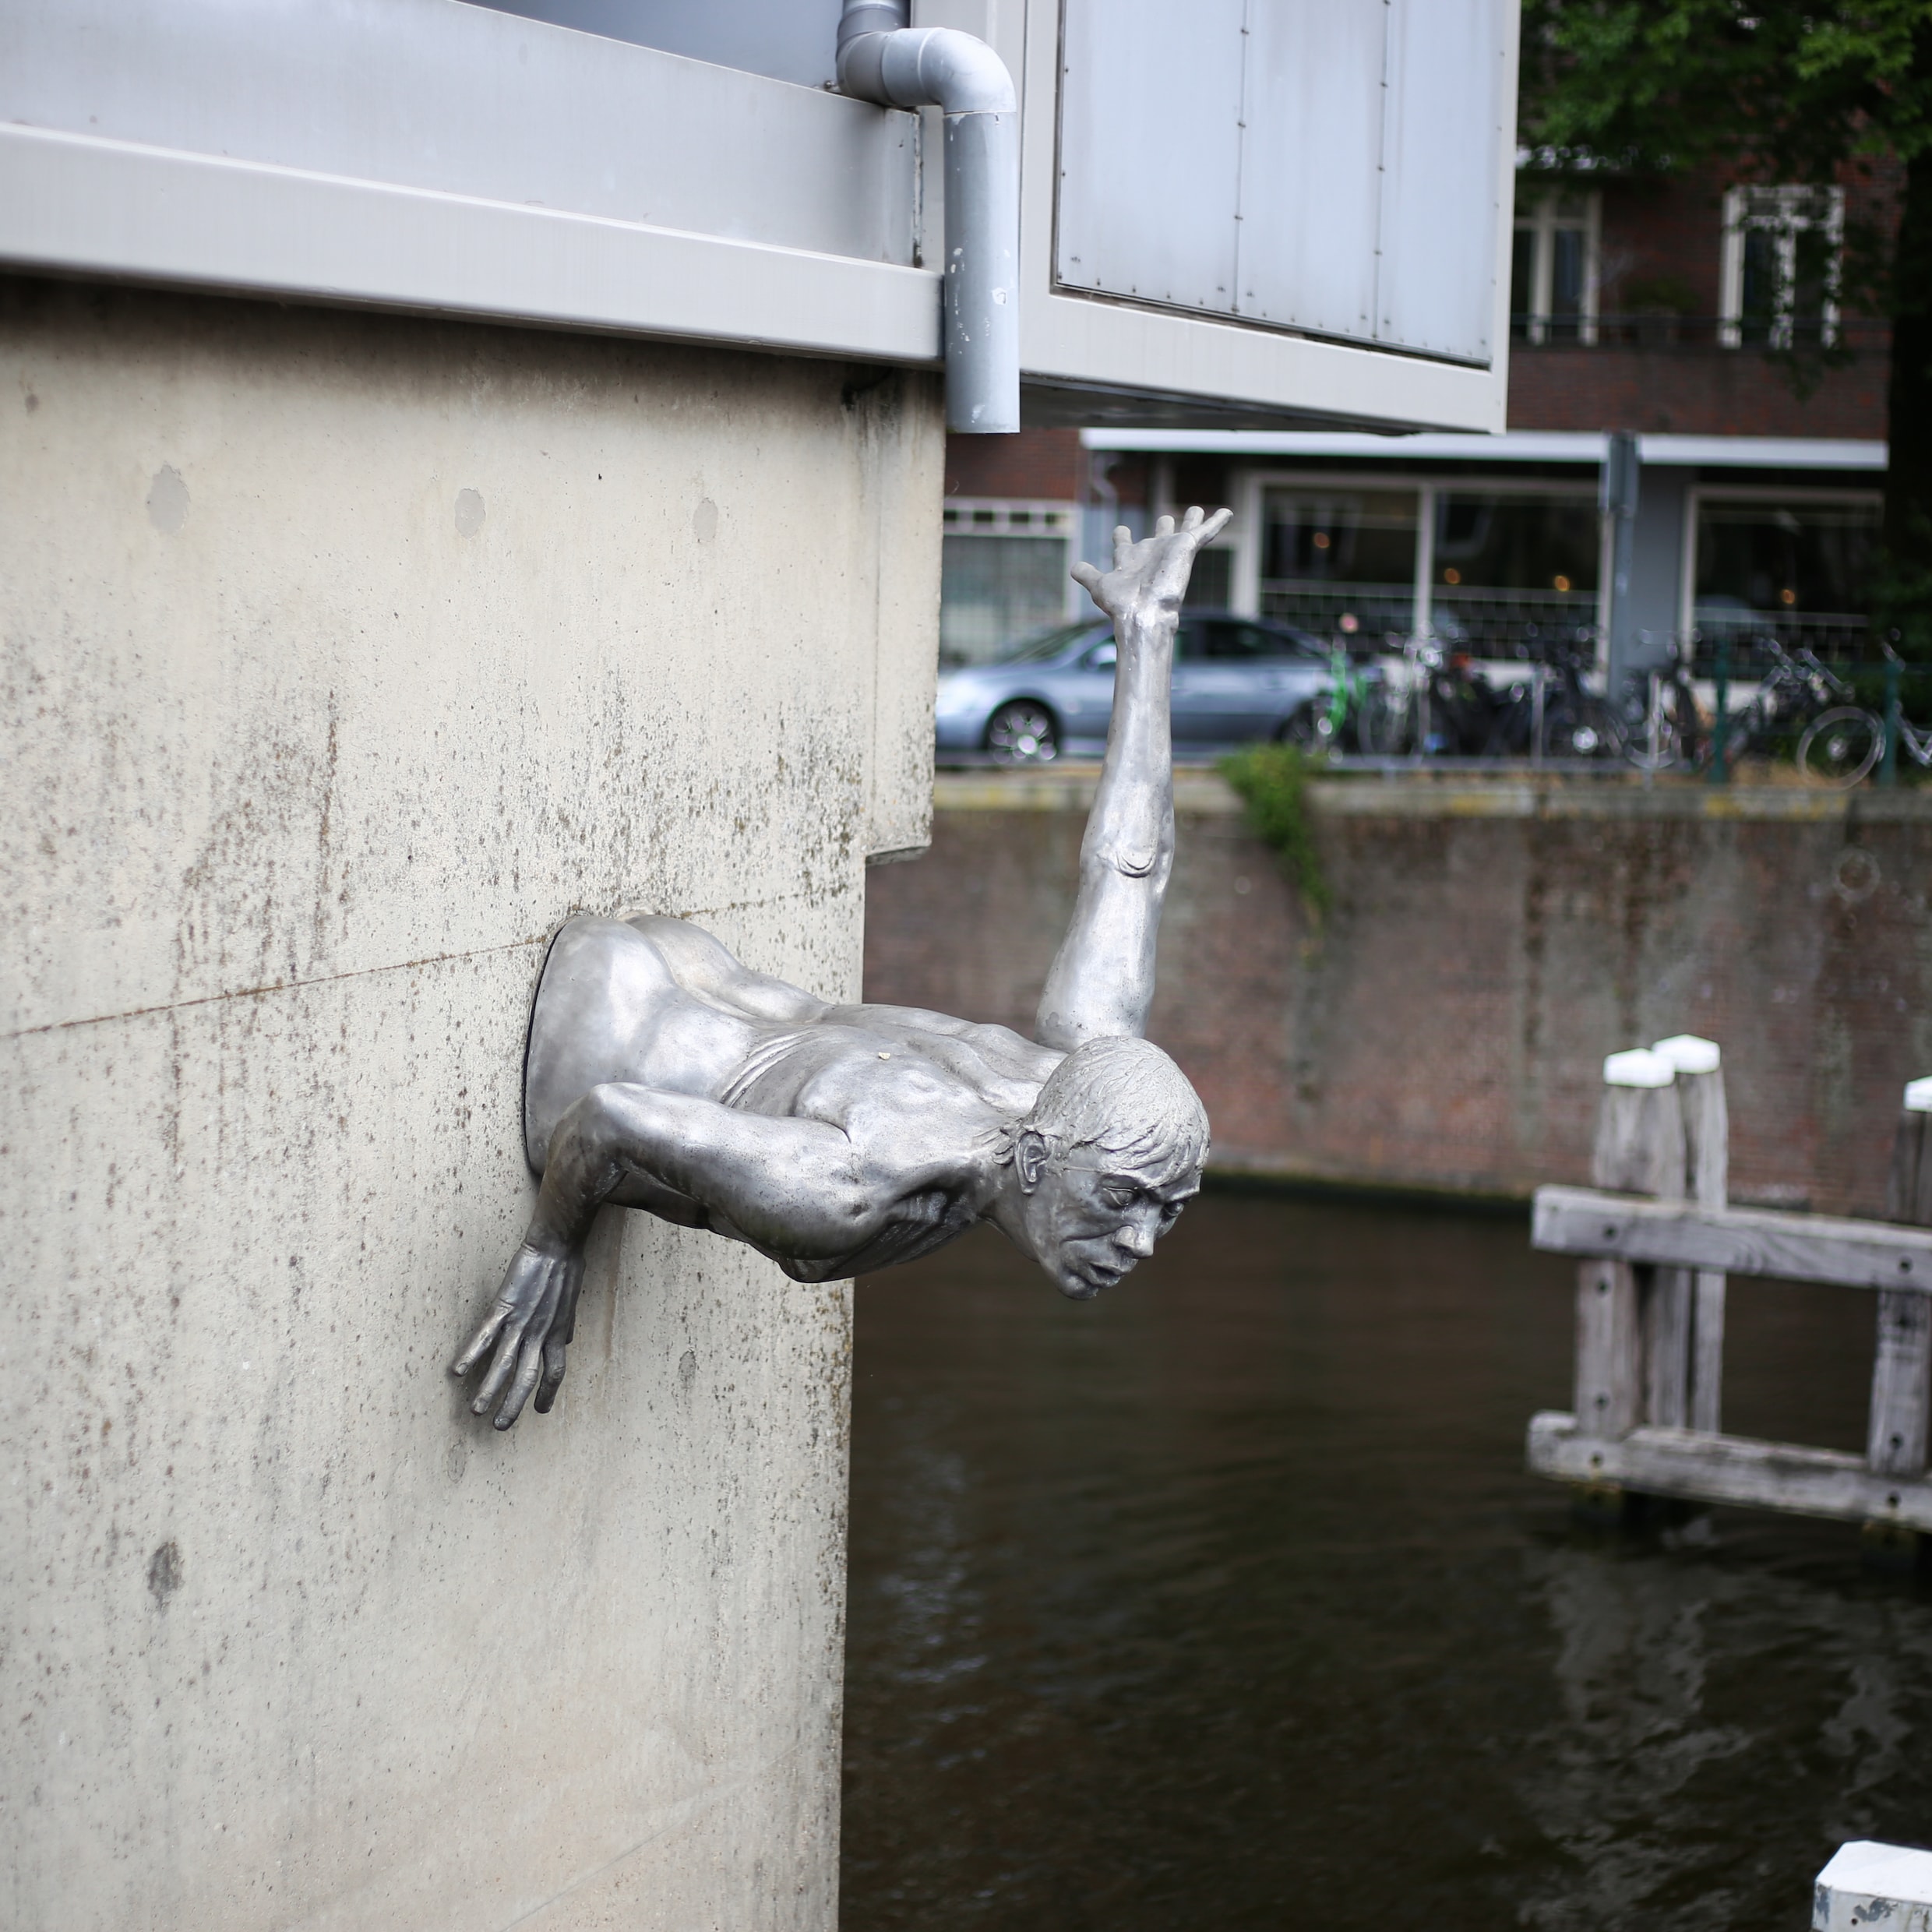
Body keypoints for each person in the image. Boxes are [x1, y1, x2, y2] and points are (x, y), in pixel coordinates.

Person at [454, 506, 1231, 1428]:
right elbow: (609, 1119)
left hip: (685, 968)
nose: (1137, 1242)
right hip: (588, 1046)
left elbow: (1131, 871)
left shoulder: (1077, 1080)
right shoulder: (852, 1188)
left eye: (1163, 1210)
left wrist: (1144, 634)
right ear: (1032, 1157)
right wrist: (551, 1248)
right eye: (1118, 1202)